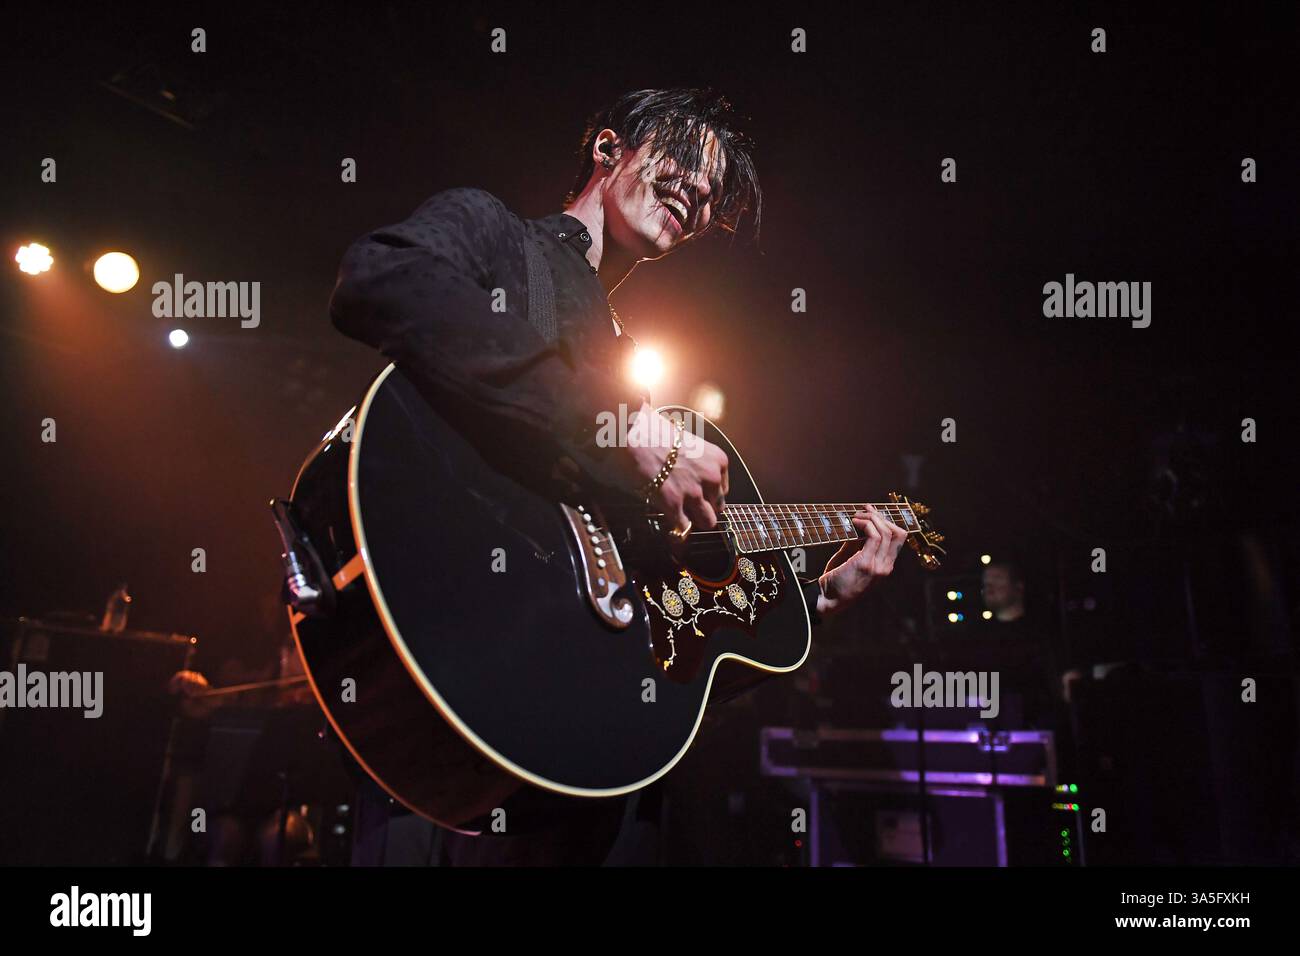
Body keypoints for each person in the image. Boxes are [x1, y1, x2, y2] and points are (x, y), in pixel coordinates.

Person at [329, 88, 908, 865]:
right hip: (462, 692)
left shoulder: (621, 355)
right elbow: (379, 278)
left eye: (713, 196)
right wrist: (615, 423)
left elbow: (661, 649)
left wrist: (814, 601)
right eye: (685, 164)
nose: (699, 195)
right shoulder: (498, 233)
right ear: (609, 151)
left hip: (575, 757)